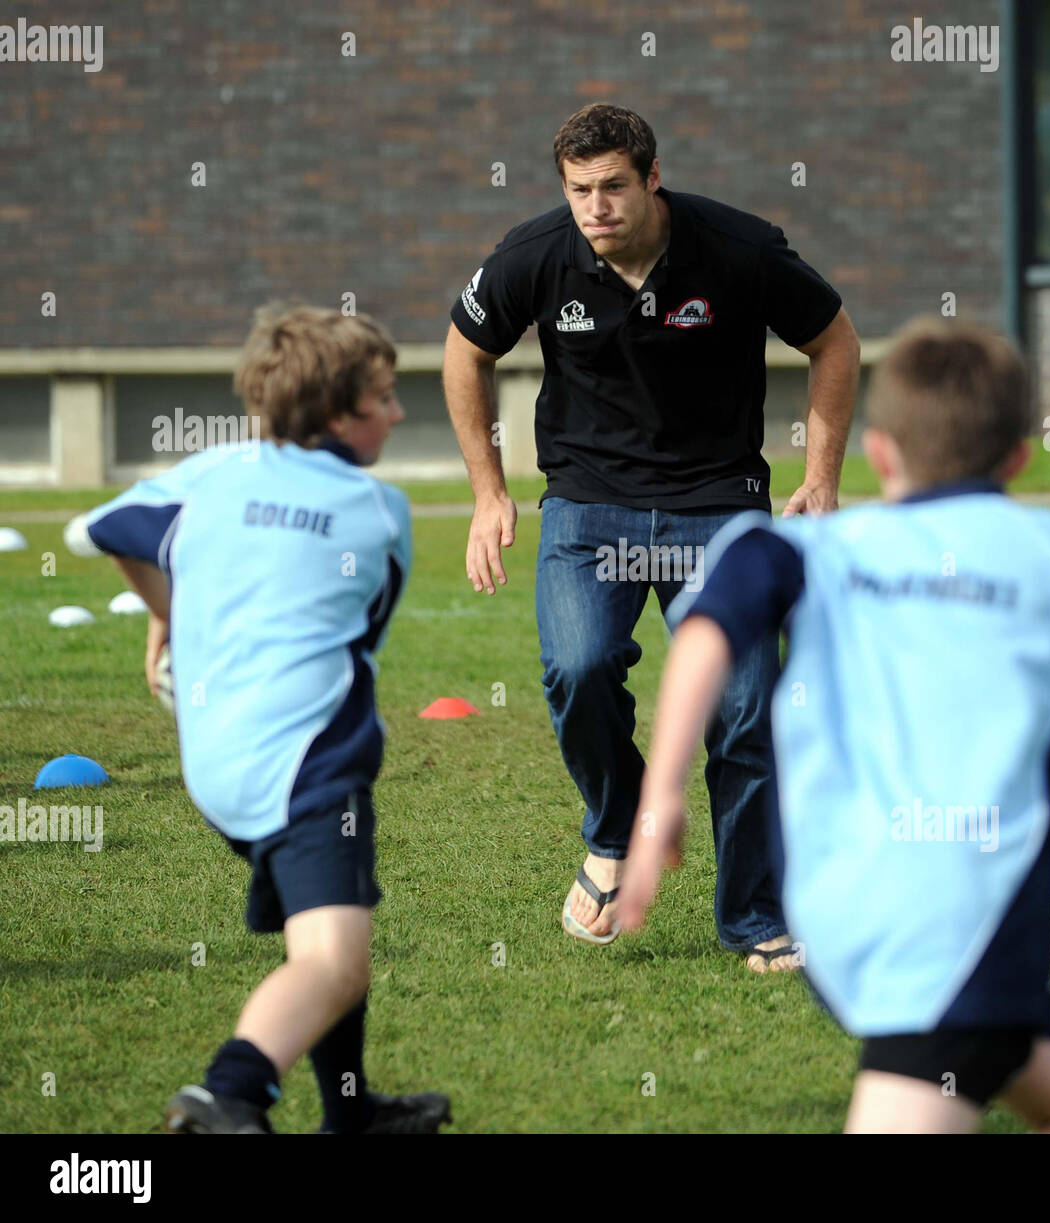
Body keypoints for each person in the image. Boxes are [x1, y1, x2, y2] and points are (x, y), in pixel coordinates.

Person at [620, 317, 1050, 1132]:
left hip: (831, 903)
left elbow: (711, 621)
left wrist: (663, 796)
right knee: (932, 1071)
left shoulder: (820, 548)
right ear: (1018, 459)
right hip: (961, 910)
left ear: (881, 452)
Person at [444, 103, 860, 971]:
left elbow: (834, 341)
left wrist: (819, 479)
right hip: (588, 504)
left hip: (720, 506)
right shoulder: (536, 254)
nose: (594, 207)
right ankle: (617, 828)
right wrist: (489, 492)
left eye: (612, 187)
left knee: (746, 709)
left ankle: (754, 915)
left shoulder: (738, 249)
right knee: (579, 667)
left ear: (652, 178)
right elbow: (464, 348)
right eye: (578, 190)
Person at [64, 304, 452, 1134]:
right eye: (385, 397)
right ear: (341, 414)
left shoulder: (210, 475)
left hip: (214, 762)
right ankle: (228, 1093)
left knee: (328, 934)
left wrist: (167, 618)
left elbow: (102, 529)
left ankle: (351, 1110)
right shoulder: (379, 512)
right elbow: (366, 627)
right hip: (310, 767)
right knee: (332, 959)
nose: (398, 411)